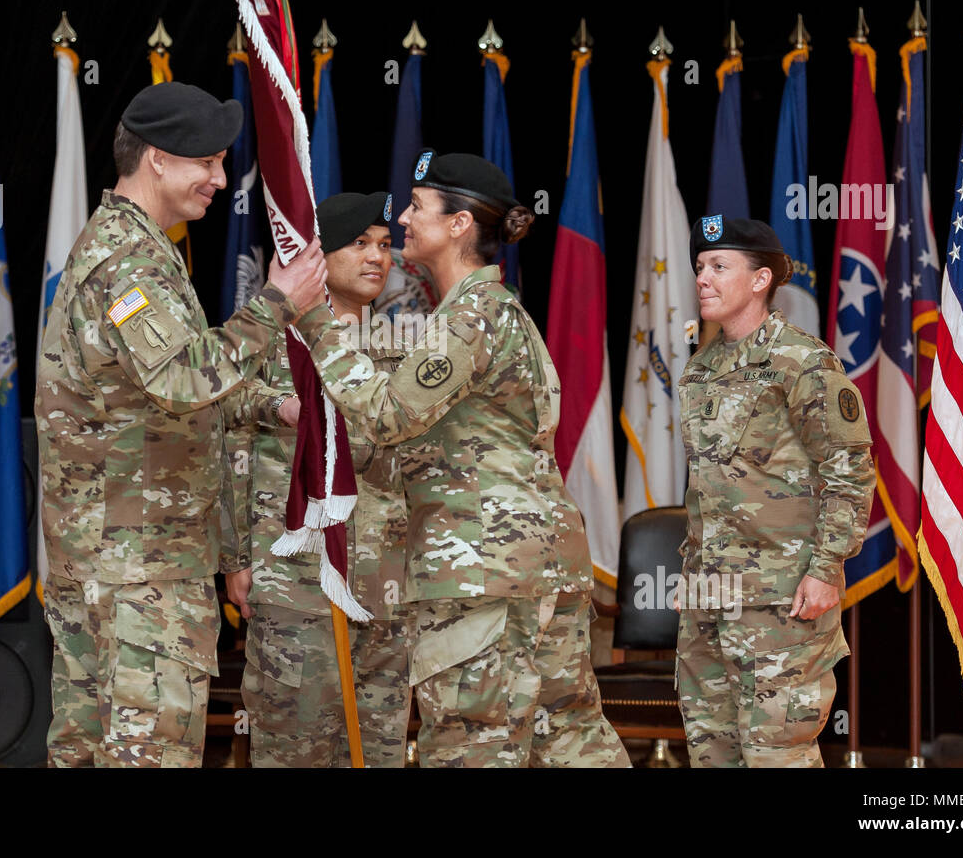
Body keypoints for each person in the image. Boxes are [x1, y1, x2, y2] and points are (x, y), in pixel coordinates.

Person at [289, 150, 630, 768]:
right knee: (569, 739)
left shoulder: (470, 317)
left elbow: (388, 414)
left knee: (472, 743)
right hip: (535, 563)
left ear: (459, 224)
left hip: (481, 570)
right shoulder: (502, 313)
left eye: (418, 207)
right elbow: (430, 450)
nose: (403, 222)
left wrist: (317, 322)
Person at [36, 81, 327, 768]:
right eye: (209, 163)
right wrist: (277, 303)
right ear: (159, 159)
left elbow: (166, 399)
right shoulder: (127, 259)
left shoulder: (139, 248)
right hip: (139, 570)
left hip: (121, 558)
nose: (221, 181)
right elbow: (182, 379)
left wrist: (274, 405)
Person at [675, 213, 875, 768]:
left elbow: (849, 469)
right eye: (699, 266)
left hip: (780, 598)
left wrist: (825, 566)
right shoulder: (700, 370)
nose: (703, 279)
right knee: (713, 750)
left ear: (761, 279)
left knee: (775, 754)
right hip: (709, 596)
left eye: (719, 266)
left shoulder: (802, 362)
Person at [225, 190, 413, 768]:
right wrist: (235, 560)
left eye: (384, 245)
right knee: (295, 747)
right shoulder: (275, 343)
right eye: (358, 244)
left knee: (378, 750)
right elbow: (230, 443)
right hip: (296, 584)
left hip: (385, 587)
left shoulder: (405, 347)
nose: (376, 257)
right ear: (319, 257)